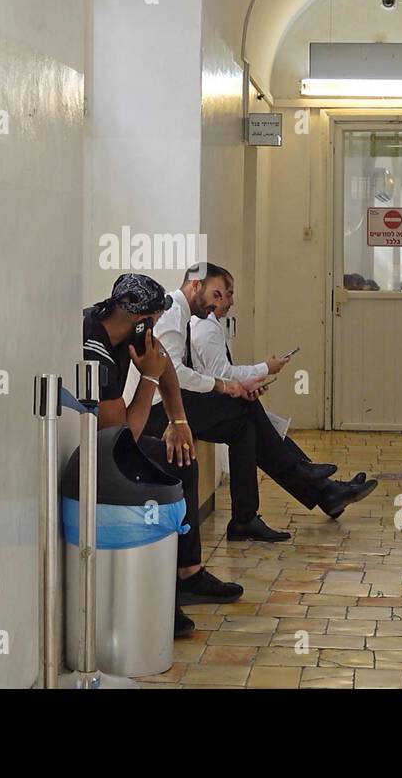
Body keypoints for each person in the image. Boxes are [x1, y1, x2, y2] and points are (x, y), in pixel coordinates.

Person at [144, 263, 375, 541]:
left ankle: (248, 517)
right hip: (160, 411)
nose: (222, 302)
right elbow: (173, 374)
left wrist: (235, 387)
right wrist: (227, 386)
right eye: (218, 295)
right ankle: (306, 479)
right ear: (195, 286)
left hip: (178, 403)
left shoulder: (185, 315)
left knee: (245, 426)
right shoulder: (174, 315)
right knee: (244, 410)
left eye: (225, 296)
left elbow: (189, 374)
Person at [83, 273, 243, 639]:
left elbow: (164, 362)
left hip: (112, 437)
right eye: (155, 320)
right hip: (92, 455)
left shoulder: (124, 326)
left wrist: (179, 421)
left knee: (180, 457)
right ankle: (162, 607)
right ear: (143, 320)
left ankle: (190, 574)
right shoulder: (97, 353)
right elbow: (119, 440)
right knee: (155, 486)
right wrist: (148, 379)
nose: (157, 328)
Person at [188, 280, 377, 506]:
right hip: (197, 405)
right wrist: (264, 369)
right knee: (254, 422)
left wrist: (249, 383)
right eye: (222, 295)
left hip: (206, 400)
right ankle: (318, 483)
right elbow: (222, 375)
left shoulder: (208, 326)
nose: (229, 302)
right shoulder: (205, 327)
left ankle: (324, 489)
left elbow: (218, 378)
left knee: (258, 426)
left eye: (228, 295)